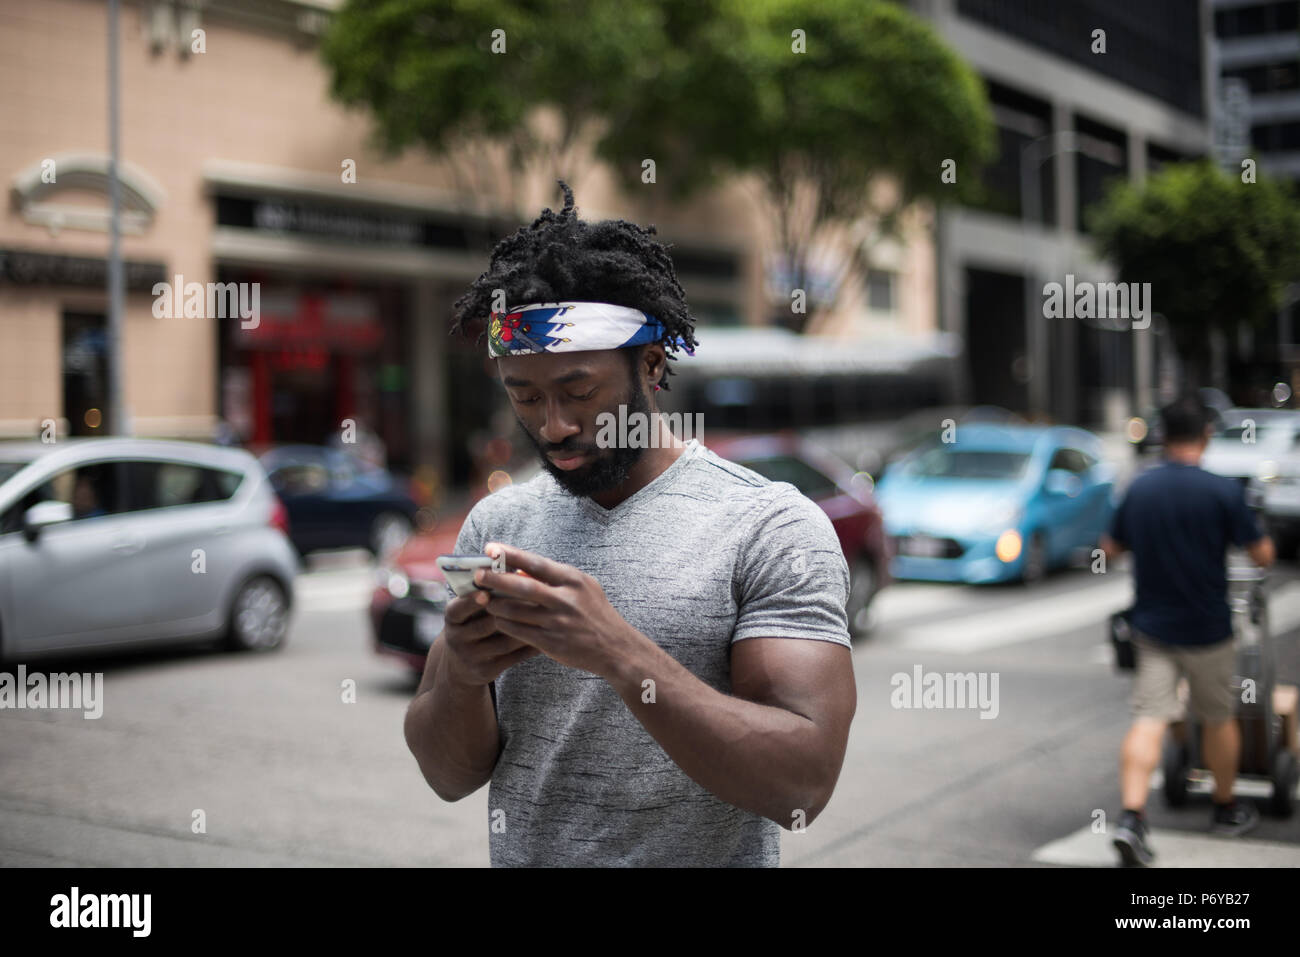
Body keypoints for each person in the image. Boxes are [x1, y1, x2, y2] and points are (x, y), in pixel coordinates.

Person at [403, 182, 856, 867]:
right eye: (525, 396)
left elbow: (802, 784)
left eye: (579, 391)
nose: (552, 425)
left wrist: (617, 653)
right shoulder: (500, 522)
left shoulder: (769, 526)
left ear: (650, 364)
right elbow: (448, 776)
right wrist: (463, 676)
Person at [1100, 393, 1274, 866]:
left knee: (1149, 717)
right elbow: (1261, 554)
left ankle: (1132, 817)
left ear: (1162, 438)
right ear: (1205, 437)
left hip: (1153, 627)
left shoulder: (1140, 488)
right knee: (1218, 717)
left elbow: (1110, 547)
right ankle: (1225, 807)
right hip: (1209, 627)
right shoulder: (1221, 491)